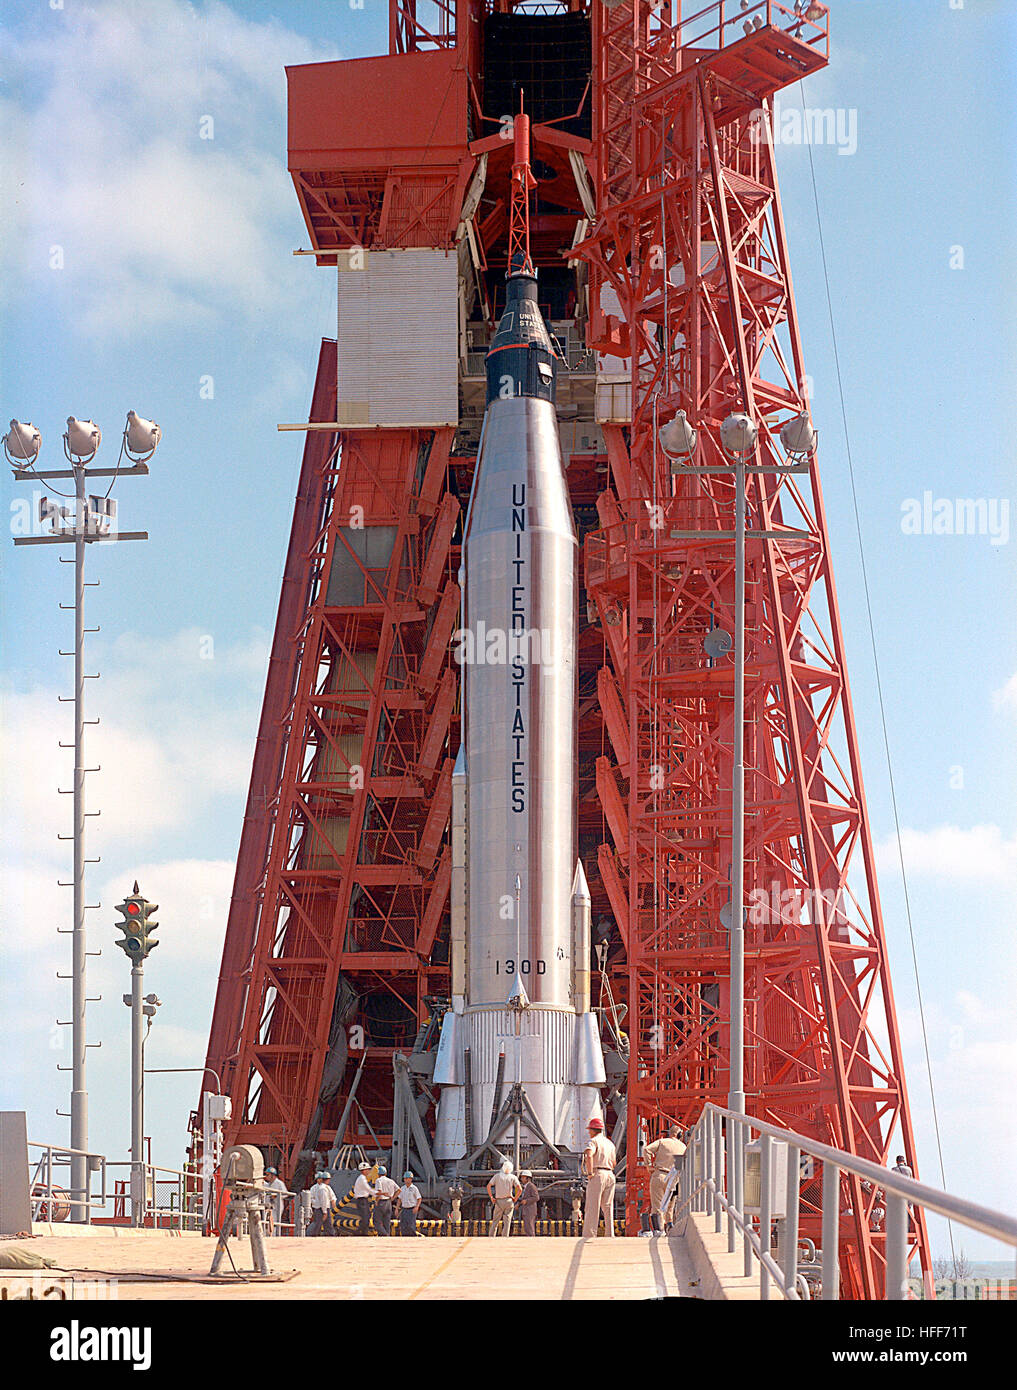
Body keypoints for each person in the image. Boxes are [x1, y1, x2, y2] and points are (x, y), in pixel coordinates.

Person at [644, 1124, 687, 1230]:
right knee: (670, 1206)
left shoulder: (662, 1142)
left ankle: (659, 1230)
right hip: (674, 1179)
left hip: (660, 1175)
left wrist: (648, 1165)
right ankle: (669, 1228)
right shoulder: (683, 1147)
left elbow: (647, 1149)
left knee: (657, 1205)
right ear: (679, 1134)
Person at [582, 1117, 617, 1238]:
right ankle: (610, 1234)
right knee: (608, 1206)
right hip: (610, 1174)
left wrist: (590, 1172)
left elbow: (589, 1155)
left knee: (592, 1206)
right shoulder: (610, 1143)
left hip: (598, 1174)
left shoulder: (592, 1142)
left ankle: (590, 1235)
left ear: (592, 1130)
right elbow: (614, 1163)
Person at [486, 1159, 522, 1237]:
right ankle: (504, 1238)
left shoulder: (497, 1176)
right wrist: (515, 1198)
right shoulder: (513, 1177)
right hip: (509, 1201)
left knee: (495, 1221)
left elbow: (488, 1186)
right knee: (507, 1222)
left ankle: (491, 1237)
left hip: (499, 1201)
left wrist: (491, 1197)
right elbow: (520, 1189)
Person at [308, 1170, 338, 1237]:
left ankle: (330, 1235)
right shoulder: (319, 1188)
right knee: (318, 1224)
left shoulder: (326, 1187)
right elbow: (323, 1201)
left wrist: (333, 1203)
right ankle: (314, 1235)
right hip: (320, 1209)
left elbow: (332, 1196)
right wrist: (324, 1212)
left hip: (324, 1208)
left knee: (326, 1224)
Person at [373, 1164, 398, 1237]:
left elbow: (379, 1192)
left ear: (378, 1174)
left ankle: (385, 1235)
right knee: (386, 1222)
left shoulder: (378, 1180)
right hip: (388, 1203)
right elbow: (399, 1190)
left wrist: (376, 1201)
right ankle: (387, 1237)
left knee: (376, 1222)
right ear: (386, 1173)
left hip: (381, 1202)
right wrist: (393, 1198)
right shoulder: (391, 1181)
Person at [264, 1166, 288, 1236]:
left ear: (273, 1175)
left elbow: (285, 1194)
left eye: (268, 1175)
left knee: (275, 1222)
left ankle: (275, 1235)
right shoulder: (268, 1184)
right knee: (267, 1222)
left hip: (277, 1206)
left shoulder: (279, 1183)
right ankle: (269, 1235)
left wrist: (277, 1196)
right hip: (269, 1207)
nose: (266, 1176)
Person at [353, 1160, 375, 1235]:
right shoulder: (362, 1179)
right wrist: (377, 1194)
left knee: (366, 1217)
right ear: (363, 1170)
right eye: (367, 1169)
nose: (369, 1171)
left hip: (363, 1200)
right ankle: (360, 1233)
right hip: (362, 1201)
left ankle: (362, 1233)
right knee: (365, 1218)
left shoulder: (362, 1178)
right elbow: (367, 1188)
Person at [397, 1171, 422, 1236]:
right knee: (403, 1226)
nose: (407, 1180)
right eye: (405, 1179)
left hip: (412, 1209)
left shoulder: (414, 1188)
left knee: (411, 1226)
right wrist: (397, 1209)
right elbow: (399, 1199)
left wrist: (417, 1207)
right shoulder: (402, 1188)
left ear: (411, 1179)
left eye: (408, 1178)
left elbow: (419, 1198)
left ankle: (412, 1239)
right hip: (404, 1209)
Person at [518, 1170, 539, 1236]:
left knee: (530, 1228)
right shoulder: (525, 1187)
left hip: (530, 1210)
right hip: (526, 1210)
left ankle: (532, 1241)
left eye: (523, 1177)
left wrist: (526, 1201)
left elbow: (536, 1197)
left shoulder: (531, 1186)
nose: (521, 1179)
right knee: (527, 1228)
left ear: (528, 1178)